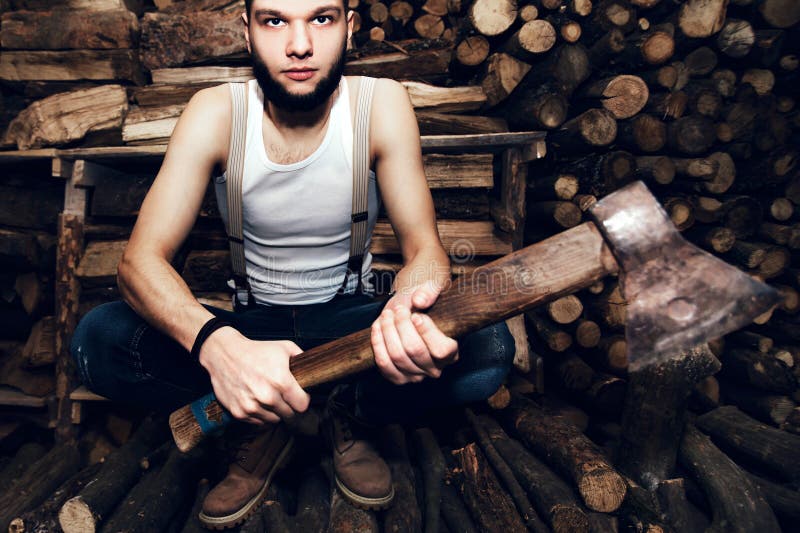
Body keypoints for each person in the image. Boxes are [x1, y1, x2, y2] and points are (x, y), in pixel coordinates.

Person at [70, 0, 515, 528]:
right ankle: (264, 412)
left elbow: (424, 250)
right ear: (248, 32)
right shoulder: (216, 111)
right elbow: (139, 262)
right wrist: (219, 347)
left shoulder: (380, 104)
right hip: (250, 328)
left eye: (321, 19)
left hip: (349, 330)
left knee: (487, 346)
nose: (299, 44)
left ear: (349, 29)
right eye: (275, 20)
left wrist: (405, 312)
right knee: (99, 340)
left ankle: (346, 411)